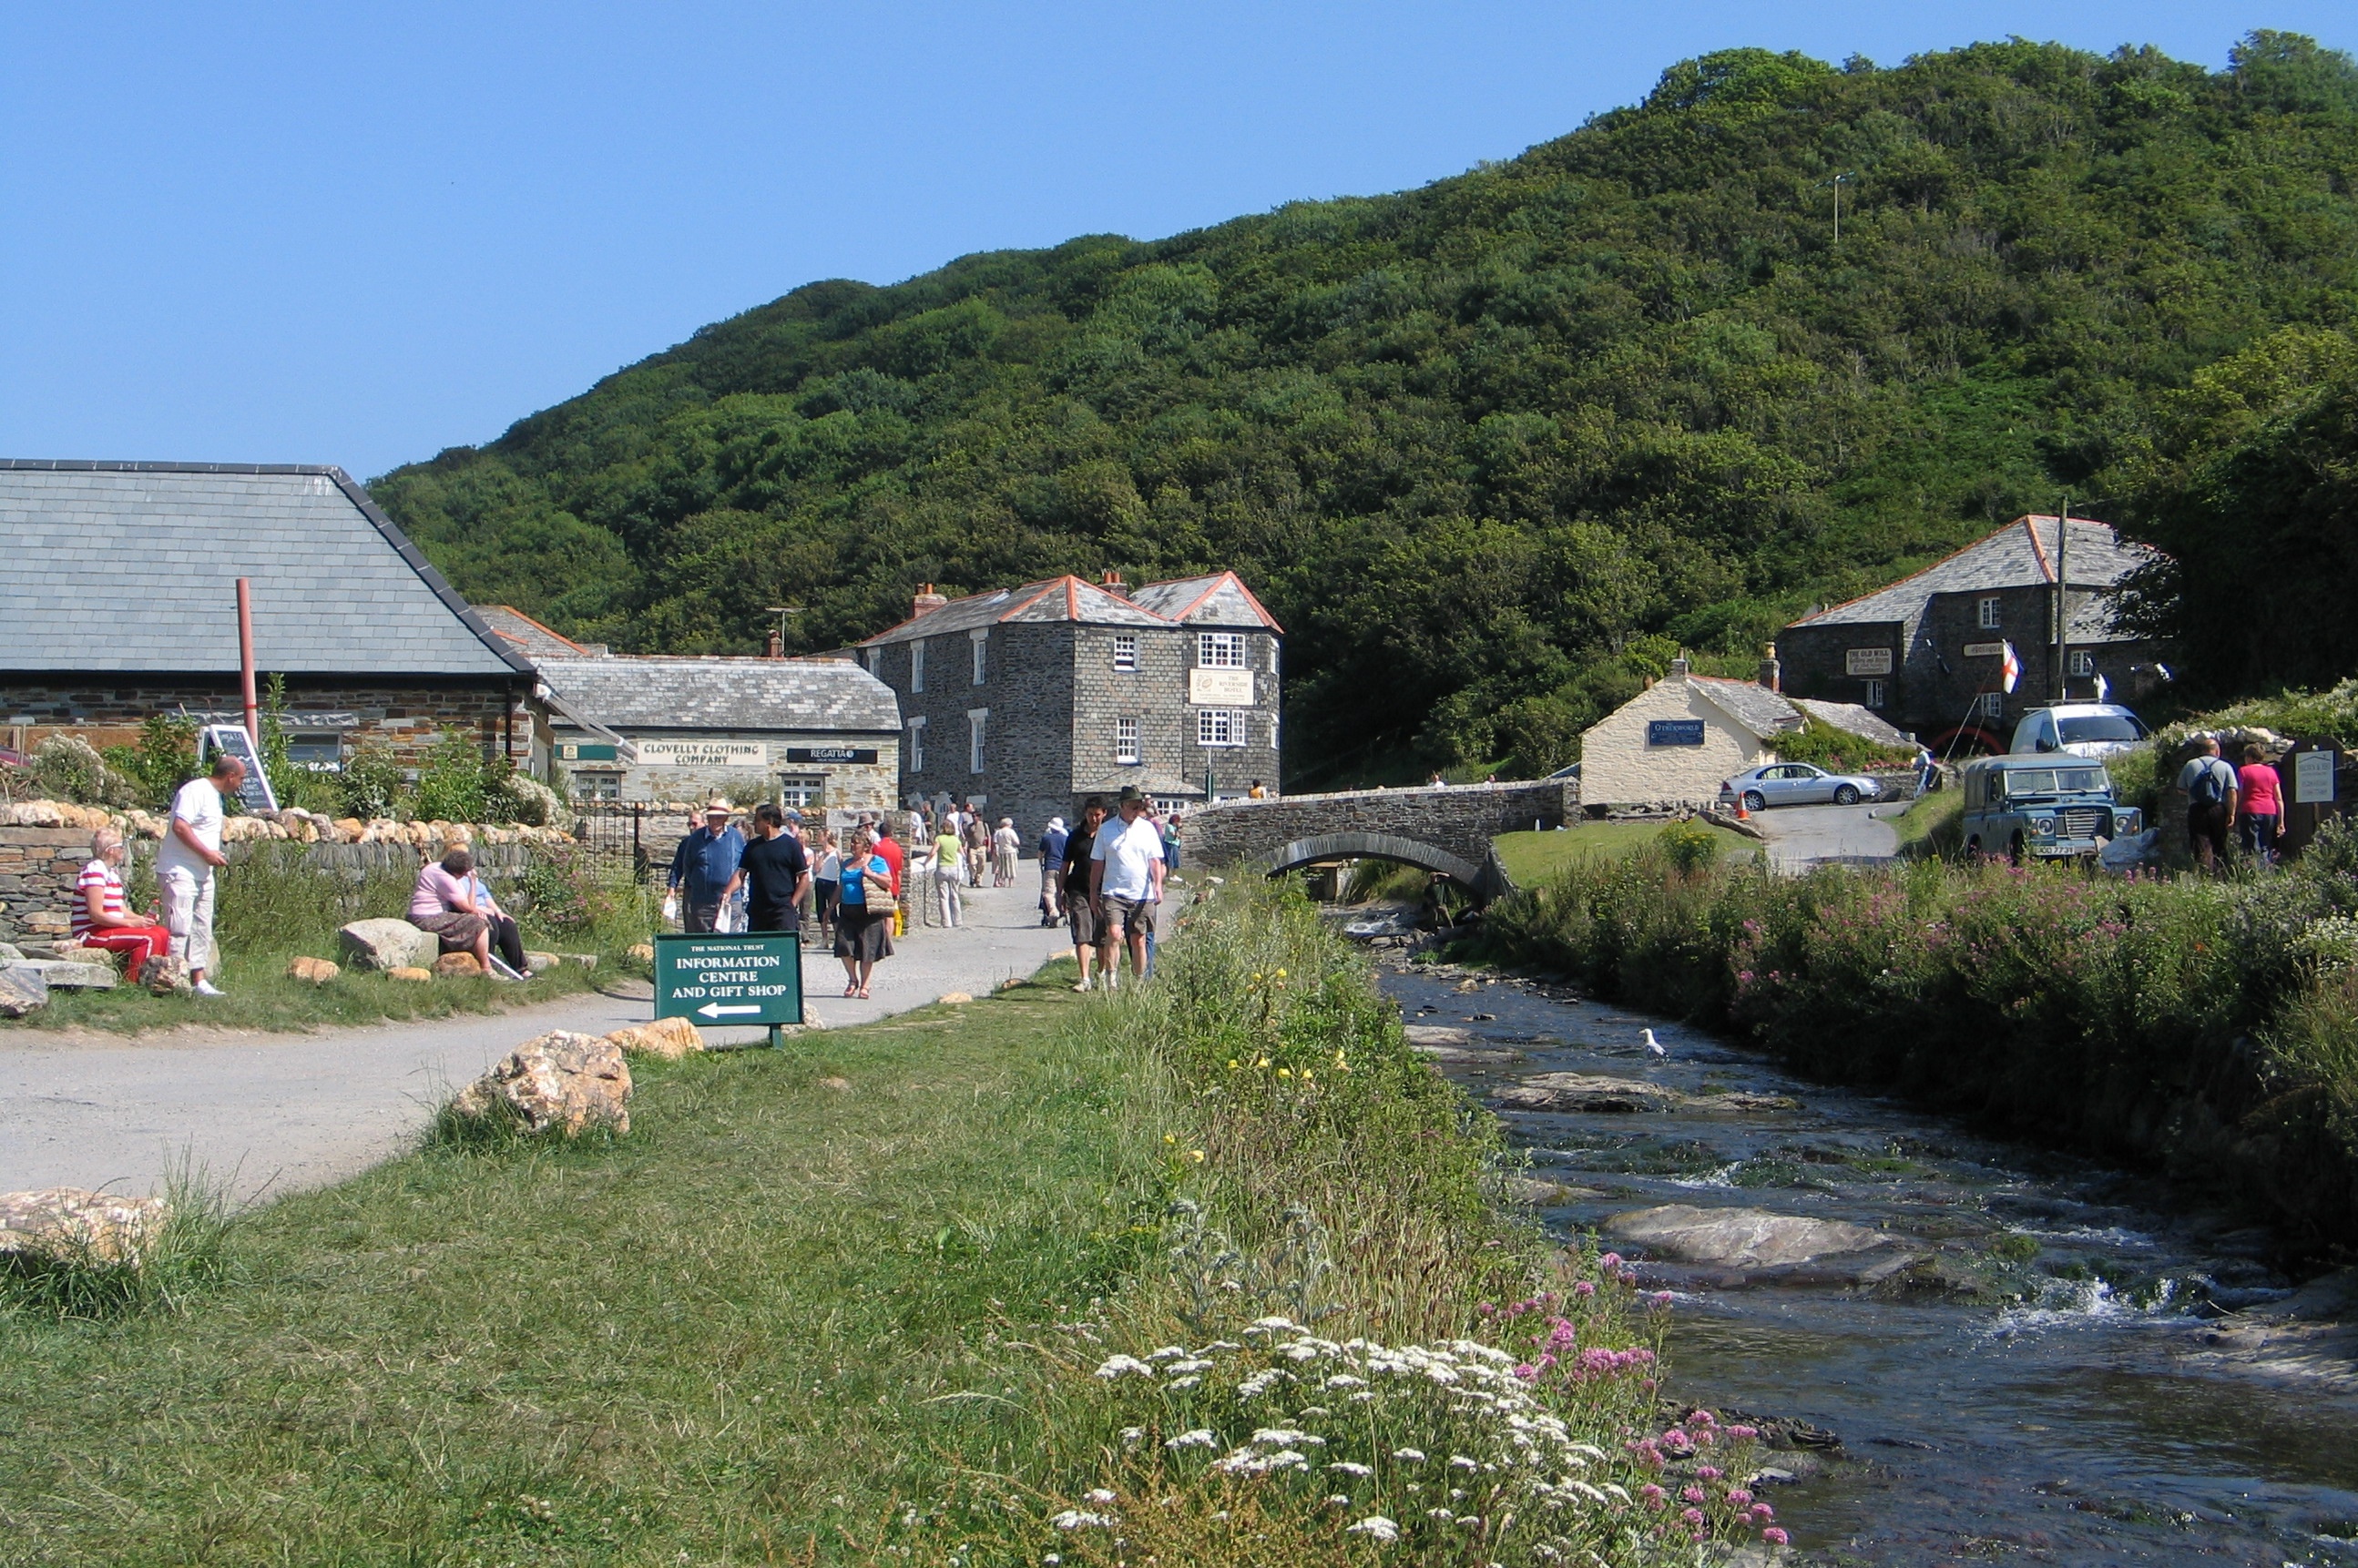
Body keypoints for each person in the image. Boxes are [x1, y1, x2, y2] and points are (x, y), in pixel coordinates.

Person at [158, 754, 241, 996]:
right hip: (180, 870)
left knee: (202, 926)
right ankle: (173, 980)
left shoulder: (216, 798)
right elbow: (180, 826)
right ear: (230, 776)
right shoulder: (194, 790)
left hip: (203, 872)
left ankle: (198, 980)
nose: (241, 784)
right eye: (241, 778)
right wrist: (206, 853)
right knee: (180, 926)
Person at [1090, 786, 1167, 988]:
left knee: (1139, 939)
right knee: (1114, 933)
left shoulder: (1147, 829)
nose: (1136, 811)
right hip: (1113, 892)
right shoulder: (1106, 830)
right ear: (1122, 806)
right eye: (1133, 807)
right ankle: (1112, 977)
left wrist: (1158, 885)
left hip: (1142, 893)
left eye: (1139, 807)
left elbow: (1155, 860)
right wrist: (1093, 893)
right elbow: (1098, 863)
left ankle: (1140, 981)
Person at [73, 828, 173, 977]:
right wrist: (130, 924)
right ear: (110, 851)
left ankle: (157, 977)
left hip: (109, 926)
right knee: (149, 938)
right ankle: (135, 980)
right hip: (92, 930)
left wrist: (139, 919)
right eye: (120, 847)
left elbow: (120, 909)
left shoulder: (111, 872)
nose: (123, 850)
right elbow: (96, 915)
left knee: (162, 933)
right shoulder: (94, 871)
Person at [409, 847, 507, 978]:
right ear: (459, 874)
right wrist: (473, 882)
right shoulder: (447, 879)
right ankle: (486, 968)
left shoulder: (433, 867)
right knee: (479, 923)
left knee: (471, 920)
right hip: (428, 918)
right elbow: (470, 908)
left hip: (416, 914)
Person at [832, 825, 895, 998]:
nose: (852, 846)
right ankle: (853, 980)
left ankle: (865, 985)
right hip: (847, 911)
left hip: (868, 912)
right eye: (851, 843)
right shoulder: (846, 863)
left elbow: (887, 882)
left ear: (866, 846)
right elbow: (840, 886)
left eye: (856, 843)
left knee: (868, 949)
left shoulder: (876, 861)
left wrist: (871, 874)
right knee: (844, 946)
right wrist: (830, 907)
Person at [668, 800, 745, 933]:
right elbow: (687, 867)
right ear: (707, 818)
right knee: (705, 944)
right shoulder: (695, 839)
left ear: (726, 818)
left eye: (719, 817)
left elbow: (743, 866)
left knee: (730, 944)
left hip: (730, 902)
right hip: (703, 903)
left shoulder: (735, 837)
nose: (715, 820)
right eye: (712, 817)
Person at [737, 802, 812, 932]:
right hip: (758, 911)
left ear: (769, 821)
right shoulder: (752, 847)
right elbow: (740, 874)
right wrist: (727, 892)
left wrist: (792, 904)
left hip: (782, 911)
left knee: (783, 950)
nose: (754, 823)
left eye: (757, 820)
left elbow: (804, 877)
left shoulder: (791, 845)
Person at [461, 851, 530, 978]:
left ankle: (520, 967)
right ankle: (489, 963)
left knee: (507, 924)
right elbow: (463, 903)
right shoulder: (456, 879)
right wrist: (477, 908)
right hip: (471, 910)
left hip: (486, 909)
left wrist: (499, 911)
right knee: (490, 924)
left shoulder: (472, 875)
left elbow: (486, 896)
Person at [1062, 798, 1106, 992]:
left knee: (1102, 937)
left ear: (1104, 813)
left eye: (1097, 814)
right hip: (1078, 889)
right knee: (1082, 934)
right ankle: (1085, 978)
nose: (1093, 818)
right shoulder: (1075, 836)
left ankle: (1102, 972)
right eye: (1090, 814)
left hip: (1104, 890)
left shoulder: (1108, 835)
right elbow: (1065, 865)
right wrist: (1059, 892)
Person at [2178, 736, 2239, 874]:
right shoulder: (2225, 766)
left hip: (2196, 808)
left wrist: (2194, 793)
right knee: (2219, 841)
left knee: (2200, 842)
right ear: (2217, 751)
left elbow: (2180, 788)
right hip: (2217, 808)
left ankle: (2204, 873)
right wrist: (2231, 813)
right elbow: (2232, 791)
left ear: (2202, 751)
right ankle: (2221, 873)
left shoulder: (2190, 765)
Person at [2237, 744, 2285, 864]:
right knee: (2265, 845)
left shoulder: (2244, 771)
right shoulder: (2271, 772)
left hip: (2250, 809)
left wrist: (2234, 810)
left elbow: (2240, 794)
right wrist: (2281, 821)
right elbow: (2278, 798)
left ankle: (2254, 873)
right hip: (2270, 810)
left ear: (2249, 757)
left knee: (2251, 845)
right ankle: (2265, 872)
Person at [932, 819, 965, 926]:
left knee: (943, 896)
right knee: (955, 895)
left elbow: (933, 852)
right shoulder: (956, 840)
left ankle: (946, 922)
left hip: (942, 868)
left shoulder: (939, 838)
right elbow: (962, 854)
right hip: (954, 868)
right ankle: (958, 920)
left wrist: (926, 862)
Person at [1036, 815, 1068, 927]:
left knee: (1049, 892)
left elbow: (1040, 853)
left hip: (1050, 867)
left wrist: (1041, 864)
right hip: (1063, 867)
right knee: (1063, 891)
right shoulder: (1066, 838)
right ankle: (1064, 911)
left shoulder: (1046, 838)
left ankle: (1053, 911)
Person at [812, 829, 842, 939]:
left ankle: (837, 937)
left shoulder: (836, 852)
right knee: (821, 910)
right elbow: (816, 869)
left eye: (820, 836)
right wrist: (822, 856)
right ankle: (825, 939)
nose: (818, 838)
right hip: (820, 881)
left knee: (832, 909)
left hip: (831, 882)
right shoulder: (819, 853)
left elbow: (842, 865)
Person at [992, 817, 1020, 887]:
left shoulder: (998, 832)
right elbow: (1017, 842)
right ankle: (1011, 883)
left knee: (1003, 867)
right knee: (1011, 866)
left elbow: (995, 842)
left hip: (1002, 851)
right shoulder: (1011, 831)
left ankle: (1003, 882)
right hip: (1010, 850)